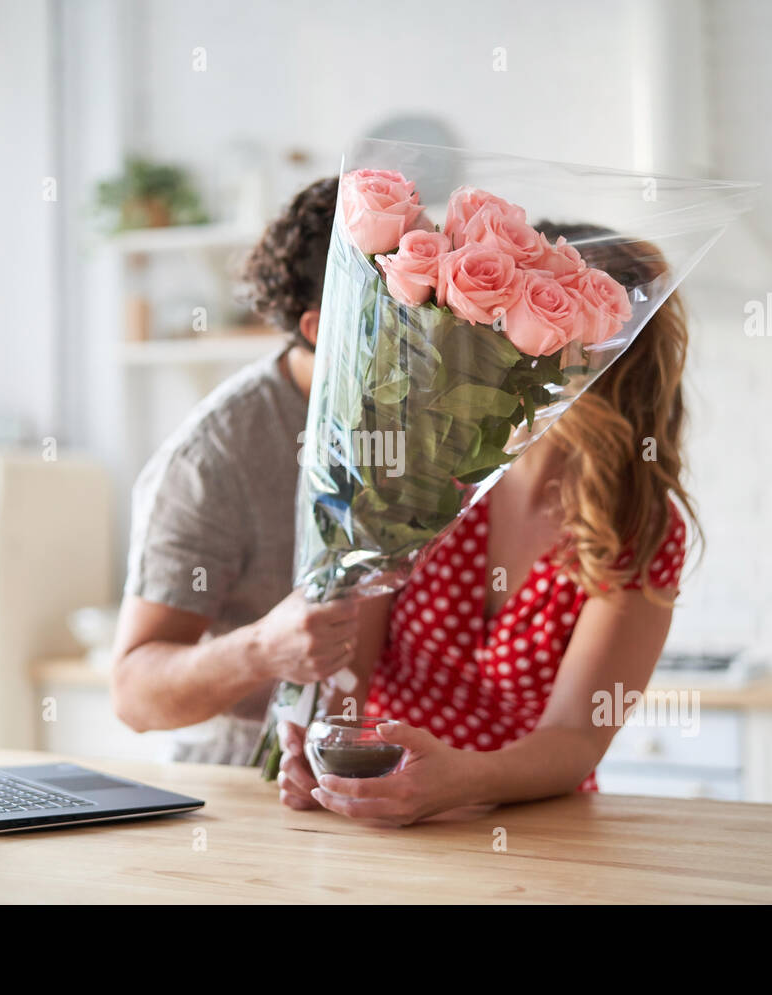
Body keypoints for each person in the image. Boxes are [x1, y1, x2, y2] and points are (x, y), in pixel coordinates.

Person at [276, 226, 698, 823]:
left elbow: (577, 737)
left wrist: (456, 781)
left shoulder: (637, 525)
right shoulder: (426, 472)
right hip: (377, 815)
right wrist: (315, 752)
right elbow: (348, 670)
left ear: (609, 349)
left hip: (536, 832)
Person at [109, 177, 390, 764]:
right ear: (319, 328)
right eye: (398, 309)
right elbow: (134, 695)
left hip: (386, 777)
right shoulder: (216, 456)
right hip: (242, 788)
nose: (426, 328)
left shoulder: (428, 416)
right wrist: (262, 648)